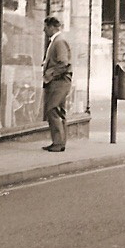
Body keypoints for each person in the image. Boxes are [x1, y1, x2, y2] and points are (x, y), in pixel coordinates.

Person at [41, 15, 73, 151]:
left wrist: (50, 74)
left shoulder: (59, 42)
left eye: (46, 27)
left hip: (59, 82)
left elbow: (63, 63)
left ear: (52, 27)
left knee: (52, 109)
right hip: (59, 81)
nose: (44, 30)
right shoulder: (57, 41)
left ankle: (58, 142)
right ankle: (60, 142)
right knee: (58, 110)